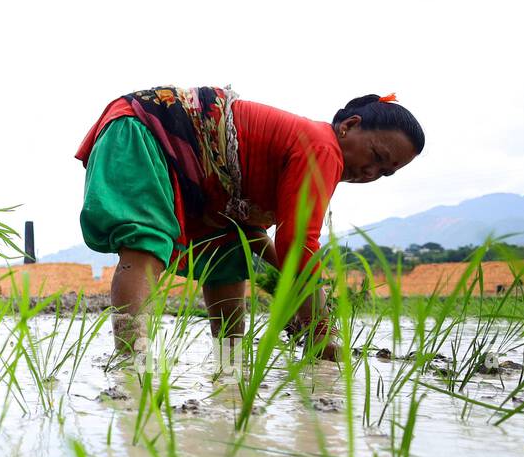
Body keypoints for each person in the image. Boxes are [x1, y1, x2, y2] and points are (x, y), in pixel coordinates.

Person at [74, 89, 424, 365]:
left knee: (229, 254)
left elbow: (255, 237)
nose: (371, 173)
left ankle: (230, 364)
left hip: (192, 169)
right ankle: (129, 362)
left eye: (385, 172)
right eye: (376, 157)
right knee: (145, 244)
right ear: (349, 126)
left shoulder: (300, 157)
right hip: (148, 131)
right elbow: (299, 245)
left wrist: (296, 303)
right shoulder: (323, 148)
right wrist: (320, 331)